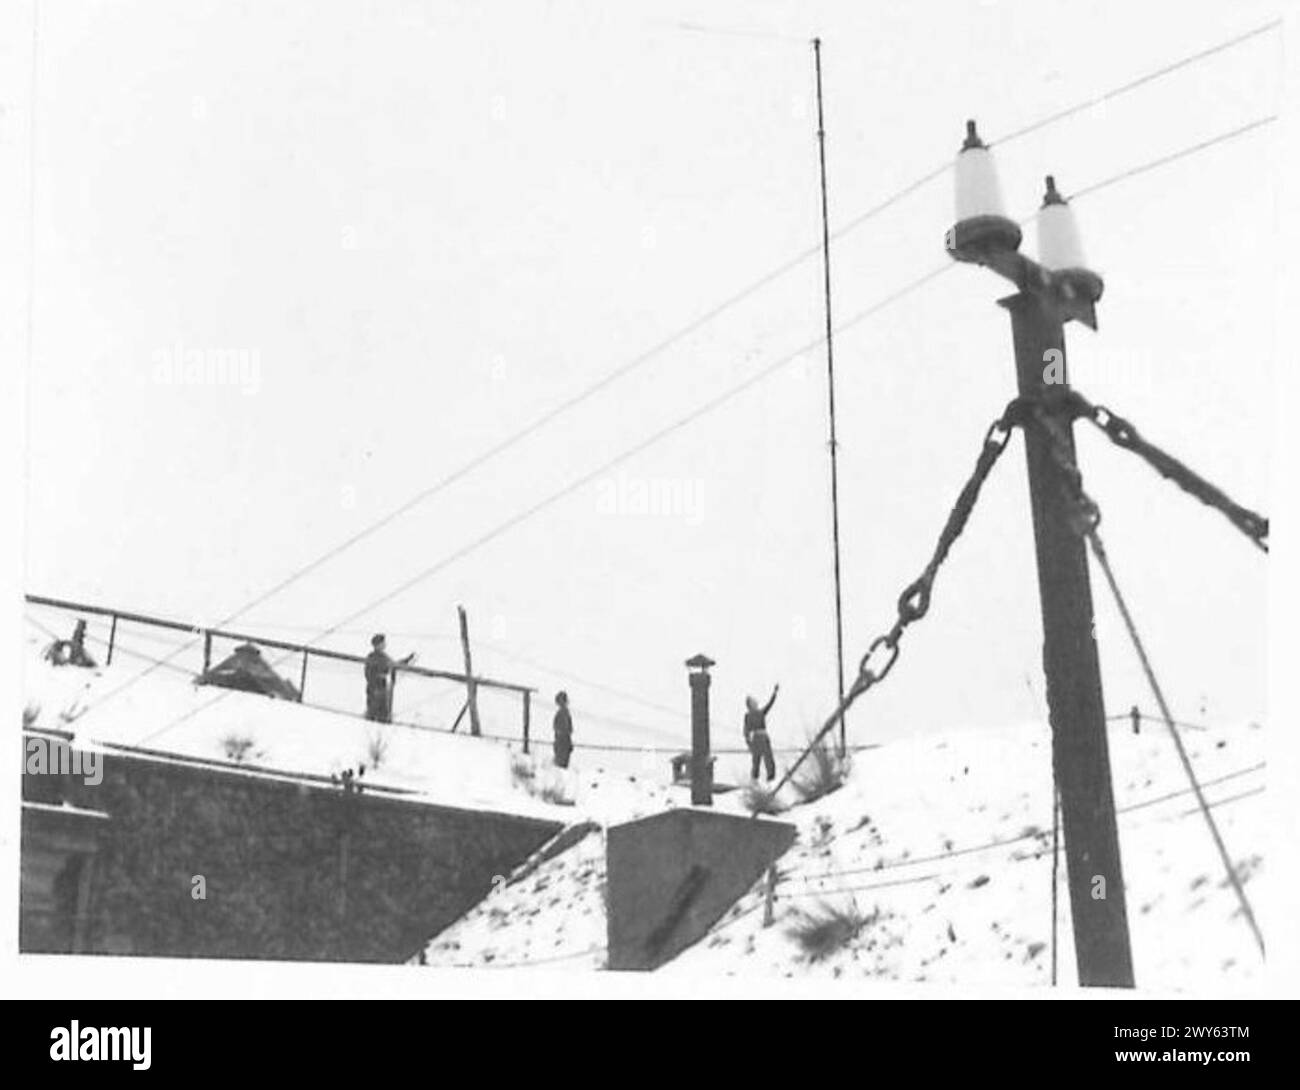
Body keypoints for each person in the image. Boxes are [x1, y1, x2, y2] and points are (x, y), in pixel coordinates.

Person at [364, 634, 414, 723]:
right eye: (382, 643)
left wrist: (406, 660)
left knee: (378, 716)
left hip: (378, 689)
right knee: (378, 716)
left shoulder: (381, 656)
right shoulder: (375, 657)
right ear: (377, 645)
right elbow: (369, 674)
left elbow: (393, 664)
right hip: (377, 690)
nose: (384, 644)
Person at [743, 684, 780, 782]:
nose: (756, 702)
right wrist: (749, 744)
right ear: (750, 704)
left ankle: (763, 778)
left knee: (762, 758)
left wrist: (774, 693)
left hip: (759, 737)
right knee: (762, 758)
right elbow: (746, 732)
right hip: (760, 737)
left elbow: (770, 704)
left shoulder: (756, 713)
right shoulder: (754, 714)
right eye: (753, 701)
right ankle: (763, 778)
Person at [552, 691, 573, 769]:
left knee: (560, 767)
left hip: (562, 743)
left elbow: (566, 729)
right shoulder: (565, 713)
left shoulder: (563, 713)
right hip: (563, 742)